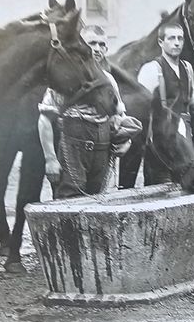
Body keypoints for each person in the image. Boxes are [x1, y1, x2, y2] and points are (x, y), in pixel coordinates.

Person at [38, 25, 140, 199]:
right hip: (73, 148)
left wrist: (126, 142)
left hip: (102, 150)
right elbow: (45, 119)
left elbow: (118, 116)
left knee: (97, 202)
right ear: (81, 45)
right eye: (92, 43)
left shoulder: (109, 80)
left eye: (102, 45)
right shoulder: (65, 77)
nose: (98, 49)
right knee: (68, 200)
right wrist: (50, 160)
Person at [136, 22, 194, 185]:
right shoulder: (152, 69)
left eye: (180, 38)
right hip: (160, 144)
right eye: (171, 38)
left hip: (183, 142)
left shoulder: (187, 68)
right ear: (161, 42)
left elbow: (191, 98)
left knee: (185, 188)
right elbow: (142, 107)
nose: (177, 42)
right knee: (159, 189)